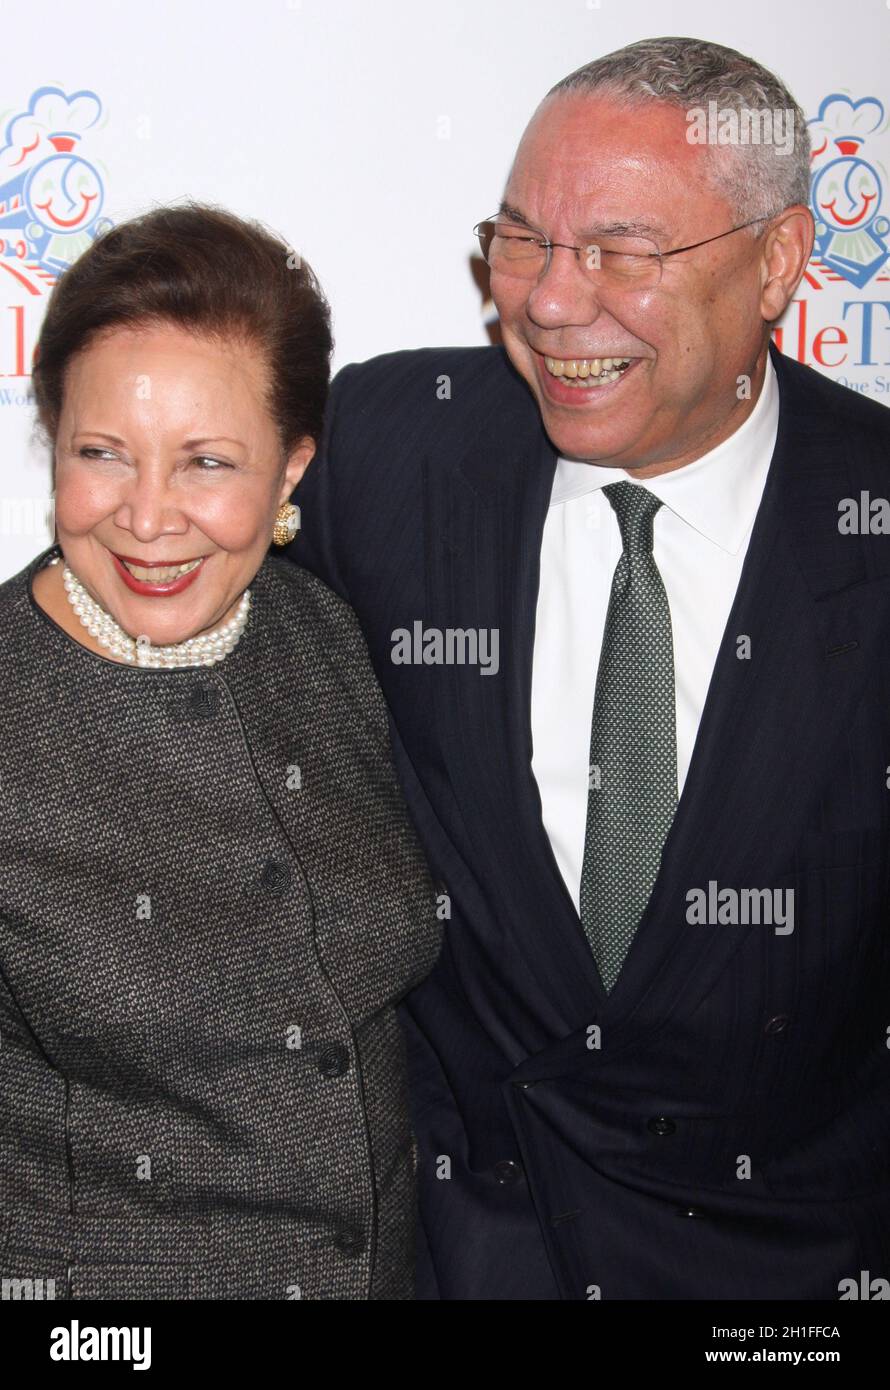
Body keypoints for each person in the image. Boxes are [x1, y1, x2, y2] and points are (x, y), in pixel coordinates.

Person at [289, 36, 890, 1299]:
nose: (550, 301)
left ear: (779, 259)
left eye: (619, 251)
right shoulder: (385, 455)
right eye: (518, 241)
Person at [0, 203, 441, 1301]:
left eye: (205, 462)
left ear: (291, 468)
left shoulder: (330, 641)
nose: (148, 517)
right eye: (101, 453)